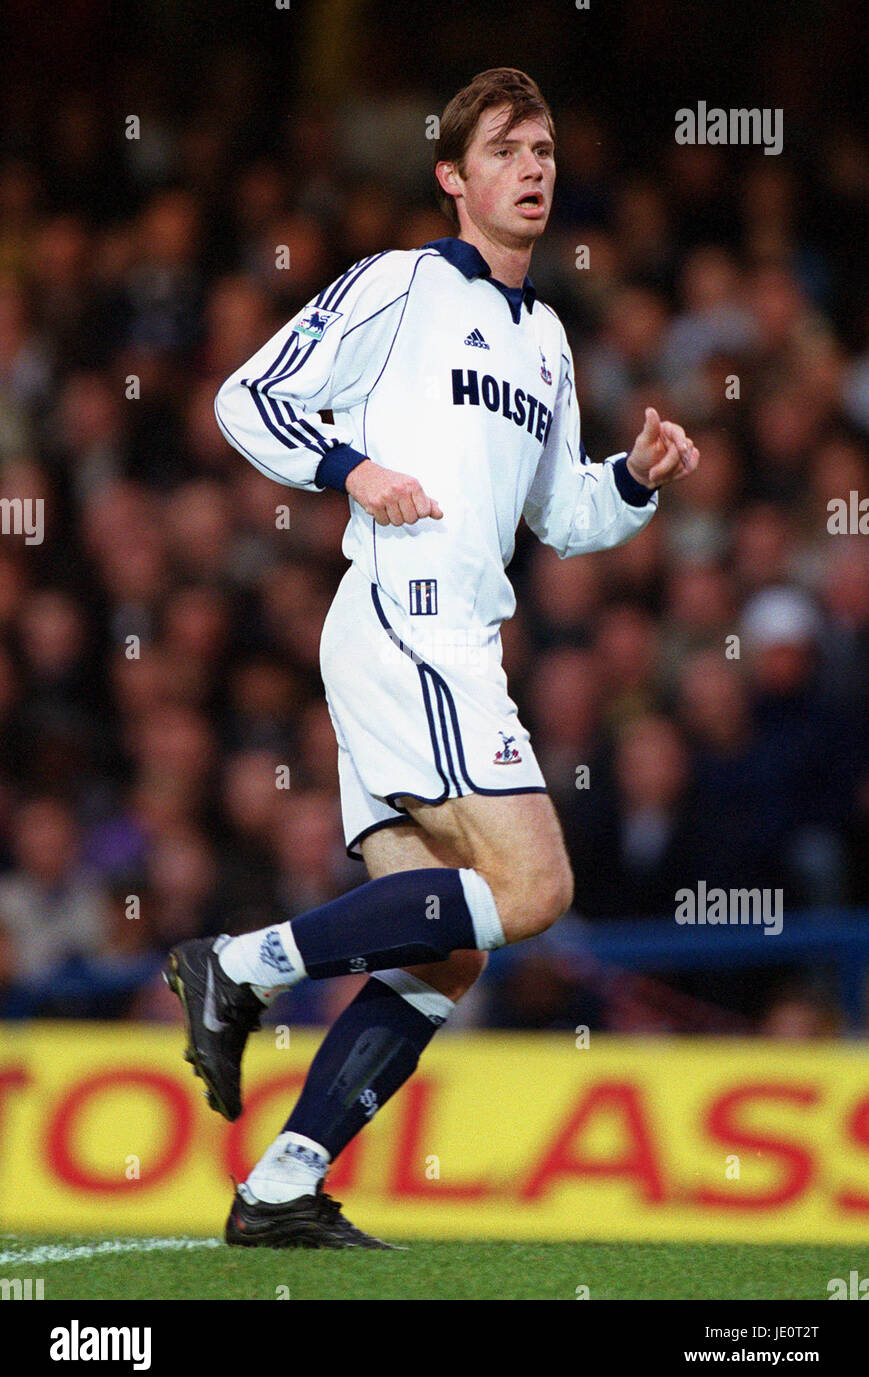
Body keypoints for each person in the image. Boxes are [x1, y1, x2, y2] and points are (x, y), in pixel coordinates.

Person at [166, 67, 699, 1249]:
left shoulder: (548, 339)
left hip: (458, 631)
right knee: (538, 890)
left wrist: (633, 482)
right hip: (404, 614)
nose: (534, 168)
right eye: (507, 150)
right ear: (453, 177)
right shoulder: (403, 284)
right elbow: (246, 400)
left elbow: (559, 515)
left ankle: (280, 1187)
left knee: (448, 949)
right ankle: (237, 964)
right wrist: (347, 470)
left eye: (546, 149)